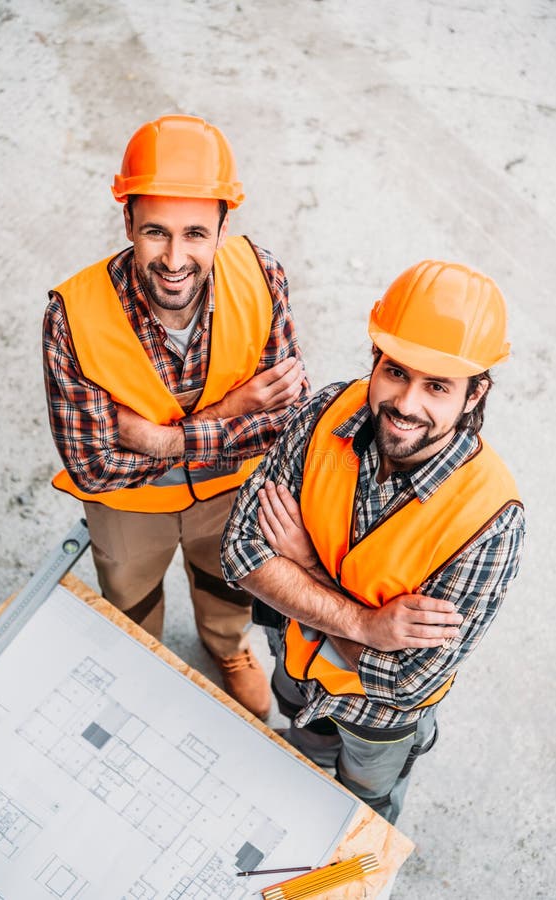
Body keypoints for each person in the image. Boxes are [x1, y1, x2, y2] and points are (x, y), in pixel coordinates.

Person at [221, 259, 525, 822]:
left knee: (364, 804)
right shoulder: (323, 416)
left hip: (376, 720)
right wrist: (367, 627)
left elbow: (406, 679)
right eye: (396, 372)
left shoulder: (489, 519)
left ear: (476, 393)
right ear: (375, 360)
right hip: (295, 663)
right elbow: (241, 551)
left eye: (438, 386)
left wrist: (304, 571)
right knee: (305, 751)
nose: (407, 404)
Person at [43, 115, 309, 720]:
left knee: (227, 586)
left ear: (222, 226)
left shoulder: (261, 278)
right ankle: (139, 662)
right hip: (128, 511)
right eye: (155, 232)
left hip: (228, 495)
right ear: (128, 223)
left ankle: (228, 649)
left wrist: (157, 436)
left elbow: (285, 425)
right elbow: (96, 466)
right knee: (130, 599)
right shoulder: (73, 316)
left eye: (195, 233)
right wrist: (235, 409)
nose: (174, 257)